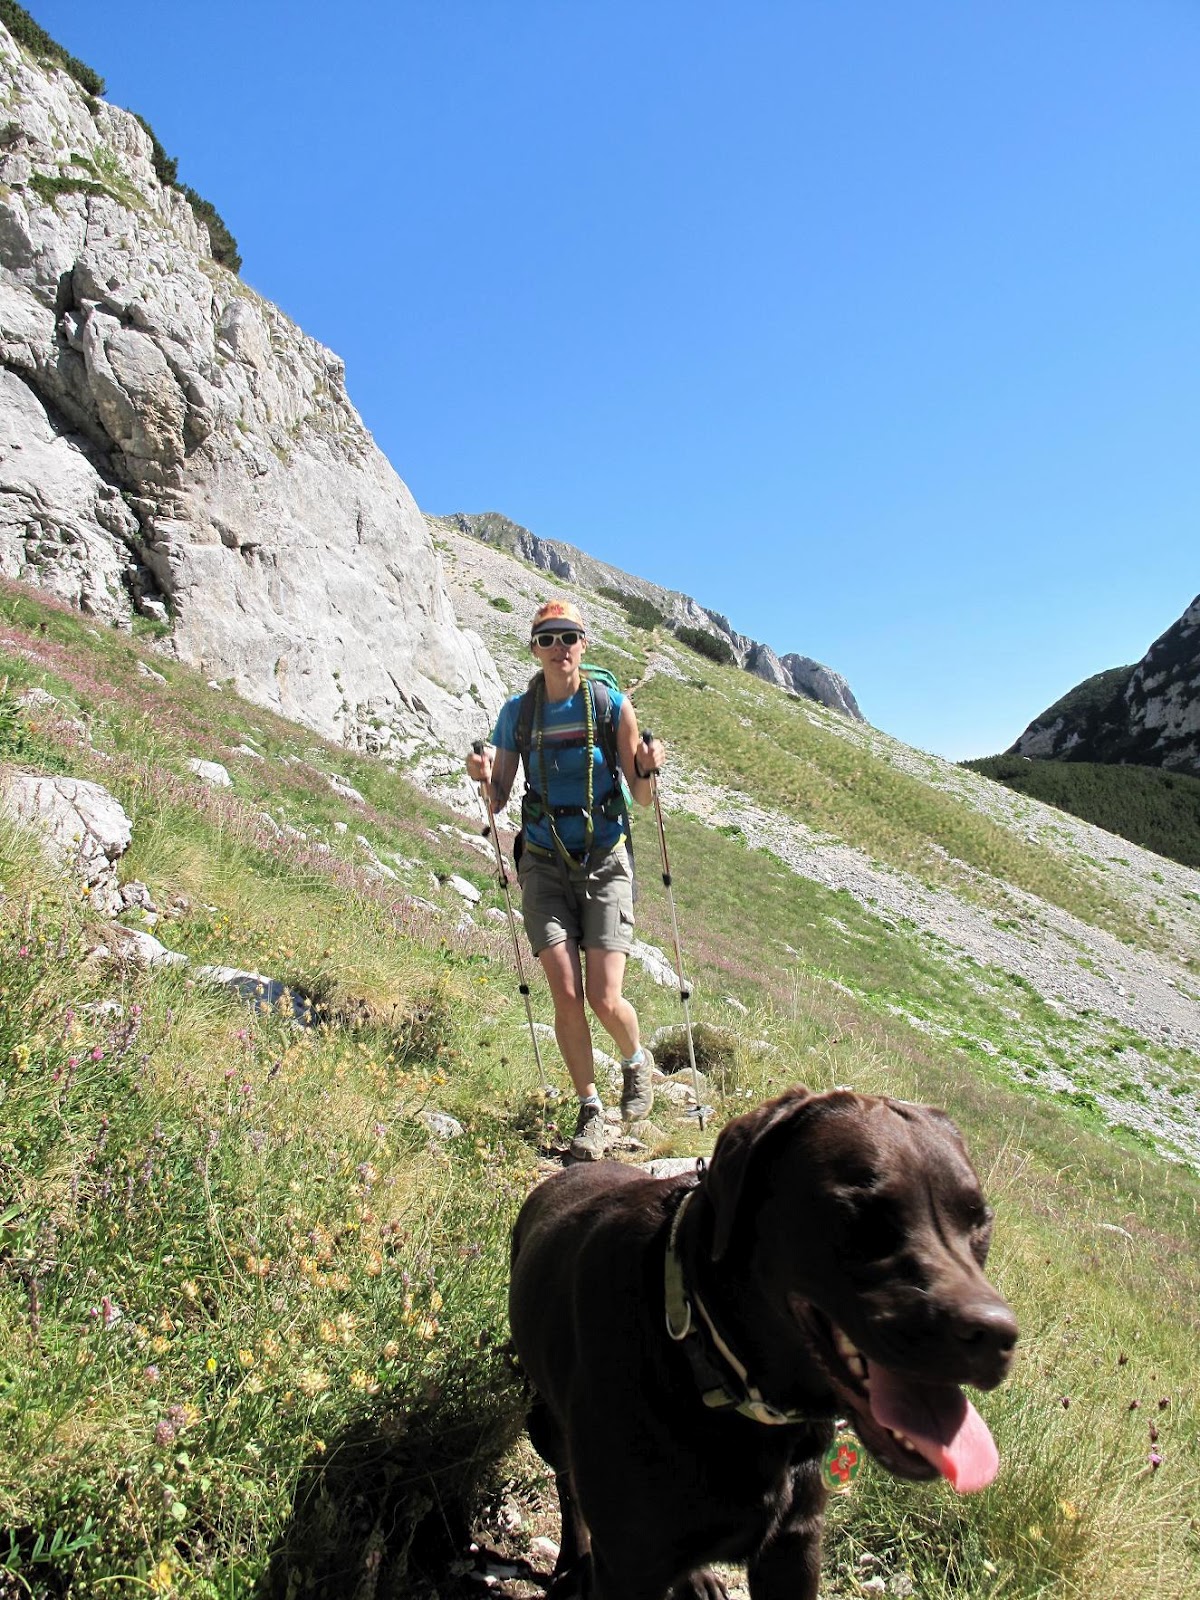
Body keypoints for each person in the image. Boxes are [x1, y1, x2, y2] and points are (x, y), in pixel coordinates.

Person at [467, 600, 667, 1161]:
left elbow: (642, 796)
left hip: (605, 860)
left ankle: (634, 1061)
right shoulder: (518, 714)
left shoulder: (611, 707)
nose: (560, 648)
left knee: (605, 997)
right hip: (543, 862)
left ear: (584, 645)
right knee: (566, 992)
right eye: (548, 639)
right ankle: (590, 1108)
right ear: (534, 648)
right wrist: (482, 776)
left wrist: (648, 767)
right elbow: (499, 797)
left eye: (569, 637)